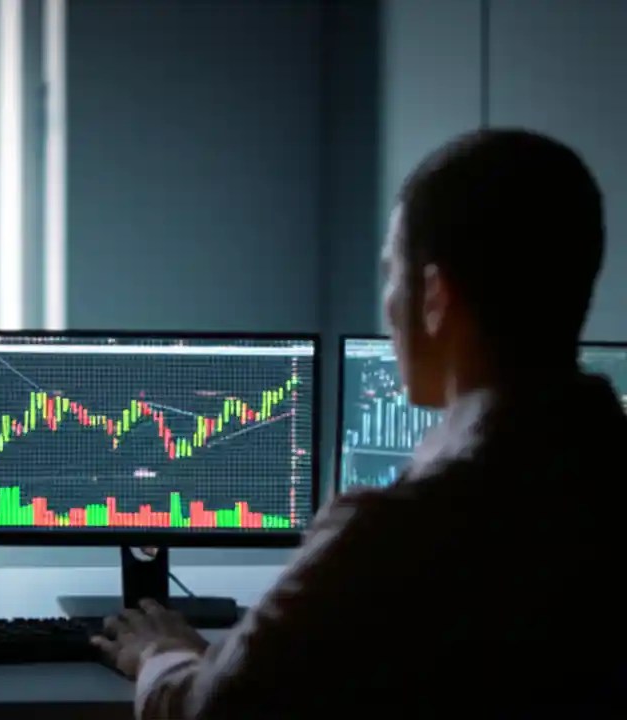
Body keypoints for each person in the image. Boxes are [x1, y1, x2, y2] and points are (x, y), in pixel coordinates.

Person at [92, 128, 627, 717]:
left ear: (433, 296)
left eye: (389, 273)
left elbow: (210, 712)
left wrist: (161, 655)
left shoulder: (391, 537)